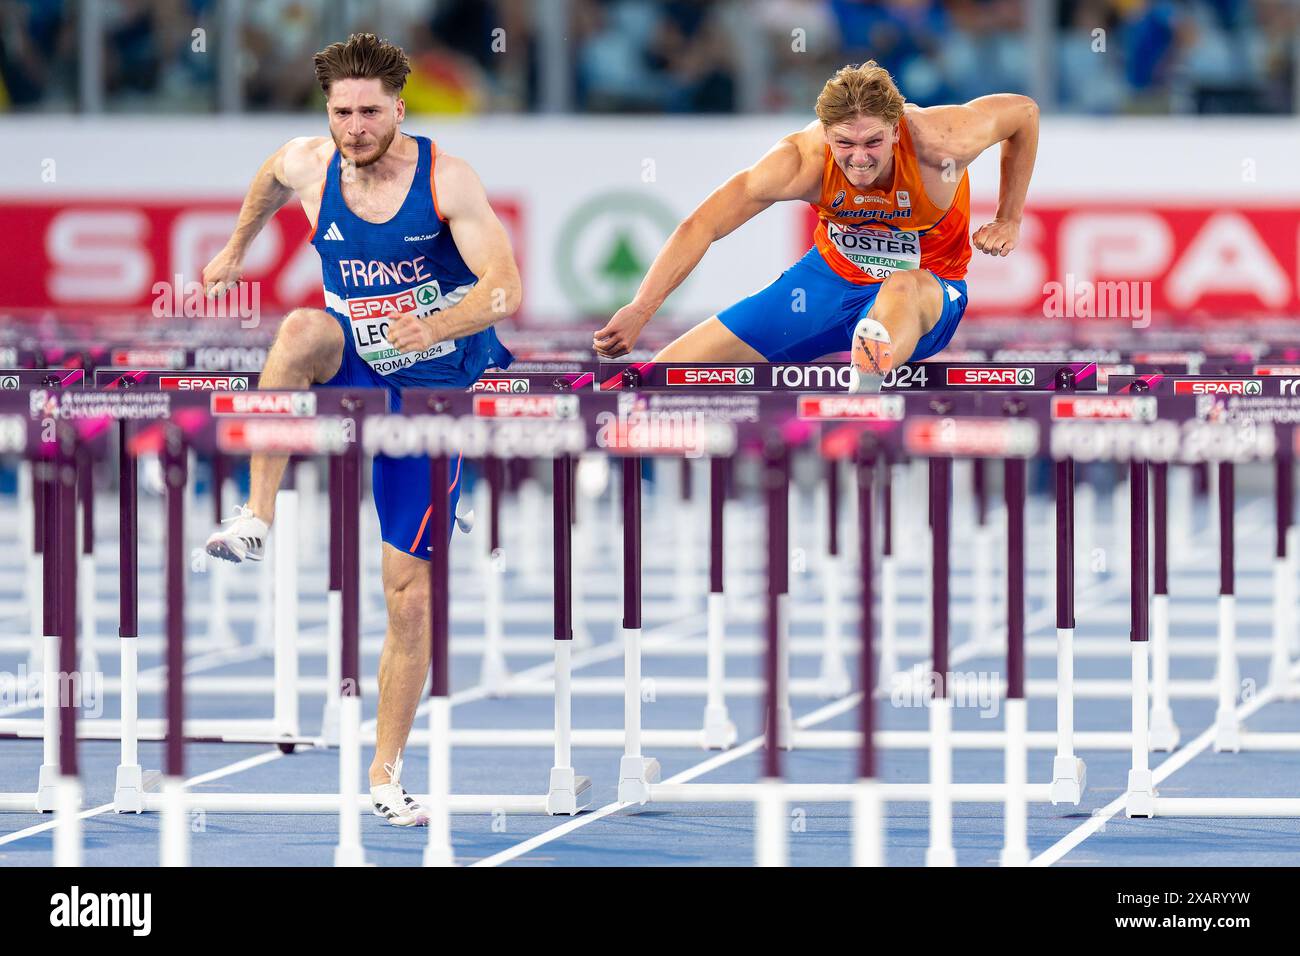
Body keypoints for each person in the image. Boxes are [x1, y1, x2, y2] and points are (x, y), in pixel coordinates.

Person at [201, 32, 519, 826]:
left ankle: (384, 772)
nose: (355, 127)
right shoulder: (312, 161)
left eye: (370, 112)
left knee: (406, 596)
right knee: (302, 330)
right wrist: (237, 246)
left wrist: (435, 321)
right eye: (342, 112)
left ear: (398, 109)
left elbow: (506, 289)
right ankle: (257, 515)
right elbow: (272, 176)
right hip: (359, 359)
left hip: (437, 385)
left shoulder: (446, 177)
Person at [592, 61, 1039, 390]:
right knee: (657, 378)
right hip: (826, 285)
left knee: (900, 288)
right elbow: (703, 223)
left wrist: (1009, 217)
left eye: (873, 142)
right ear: (826, 135)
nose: (859, 158)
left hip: (925, 294)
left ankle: (863, 395)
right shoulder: (802, 160)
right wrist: (641, 308)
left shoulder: (943, 140)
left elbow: (1024, 114)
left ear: (897, 130)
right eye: (844, 143)